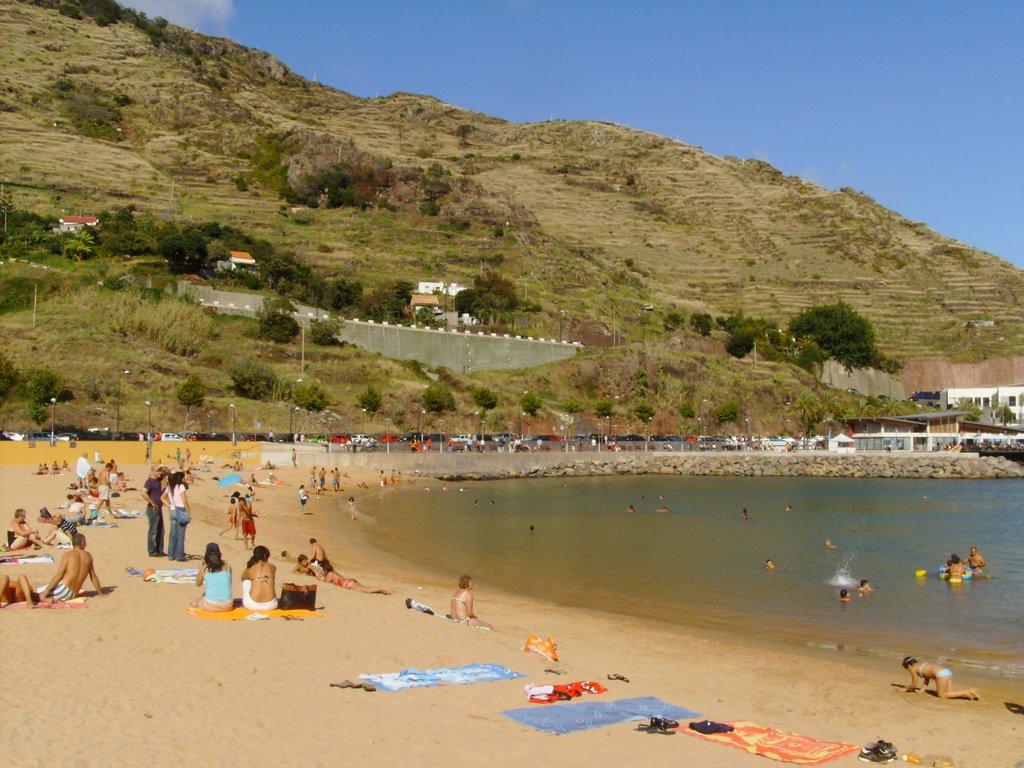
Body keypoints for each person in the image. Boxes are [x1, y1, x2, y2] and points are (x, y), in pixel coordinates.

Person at [37, 533, 104, 602]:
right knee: (41, 589)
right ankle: (48, 598)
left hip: (62, 590)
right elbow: (93, 577)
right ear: (83, 543)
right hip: (73, 595)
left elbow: (59, 575)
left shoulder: (68, 555)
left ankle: (47, 599)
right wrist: (101, 594)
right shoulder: (88, 556)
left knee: (35, 594)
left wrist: (46, 592)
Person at [294, 555, 390, 594]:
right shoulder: (333, 572)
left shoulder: (330, 574)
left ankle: (382, 587)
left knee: (366, 590)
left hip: (348, 584)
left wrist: (317, 576)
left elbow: (326, 582)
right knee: (366, 588)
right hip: (349, 581)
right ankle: (381, 589)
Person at [901, 657, 979, 700]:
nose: (908, 671)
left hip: (941, 674)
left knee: (942, 695)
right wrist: (922, 690)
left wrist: (905, 689)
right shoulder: (922, 665)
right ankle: (969, 694)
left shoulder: (913, 669)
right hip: (946, 672)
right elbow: (927, 678)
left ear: (909, 666)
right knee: (950, 693)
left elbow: (914, 684)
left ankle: (966, 692)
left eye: (907, 669)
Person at [192, 542, 233, 612]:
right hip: (228, 605)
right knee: (205, 594)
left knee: (195, 601)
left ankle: (199, 601)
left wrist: (200, 568)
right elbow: (228, 583)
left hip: (211, 606)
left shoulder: (205, 569)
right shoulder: (228, 567)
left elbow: (198, 583)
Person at [162, 470, 192, 562]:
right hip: (181, 510)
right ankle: (180, 556)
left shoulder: (170, 487)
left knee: (173, 534)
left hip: (172, 510)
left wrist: (170, 505)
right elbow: (184, 501)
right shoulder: (180, 486)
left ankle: (171, 555)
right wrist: (189, 512)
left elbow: (162, 498)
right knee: (181, 535)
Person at [241, 545, 277, 611]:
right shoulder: (273, 567)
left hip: (252, 605)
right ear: (265, 555)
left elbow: (242, 578)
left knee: (246, 581)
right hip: (271, 605)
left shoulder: (250, 568)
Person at [141, 465, 166, 557]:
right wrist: (152, 502)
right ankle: (152, 551)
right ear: (152, 471)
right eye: (157, 471)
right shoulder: (150, 481)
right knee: (153, 531)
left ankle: (160, 550)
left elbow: (167, 472)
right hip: (153, 509)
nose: (159, 472)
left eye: (160, 471)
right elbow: (143, 492)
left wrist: (162, 467)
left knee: (161, 530)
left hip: (159, 508)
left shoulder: (159, 479)